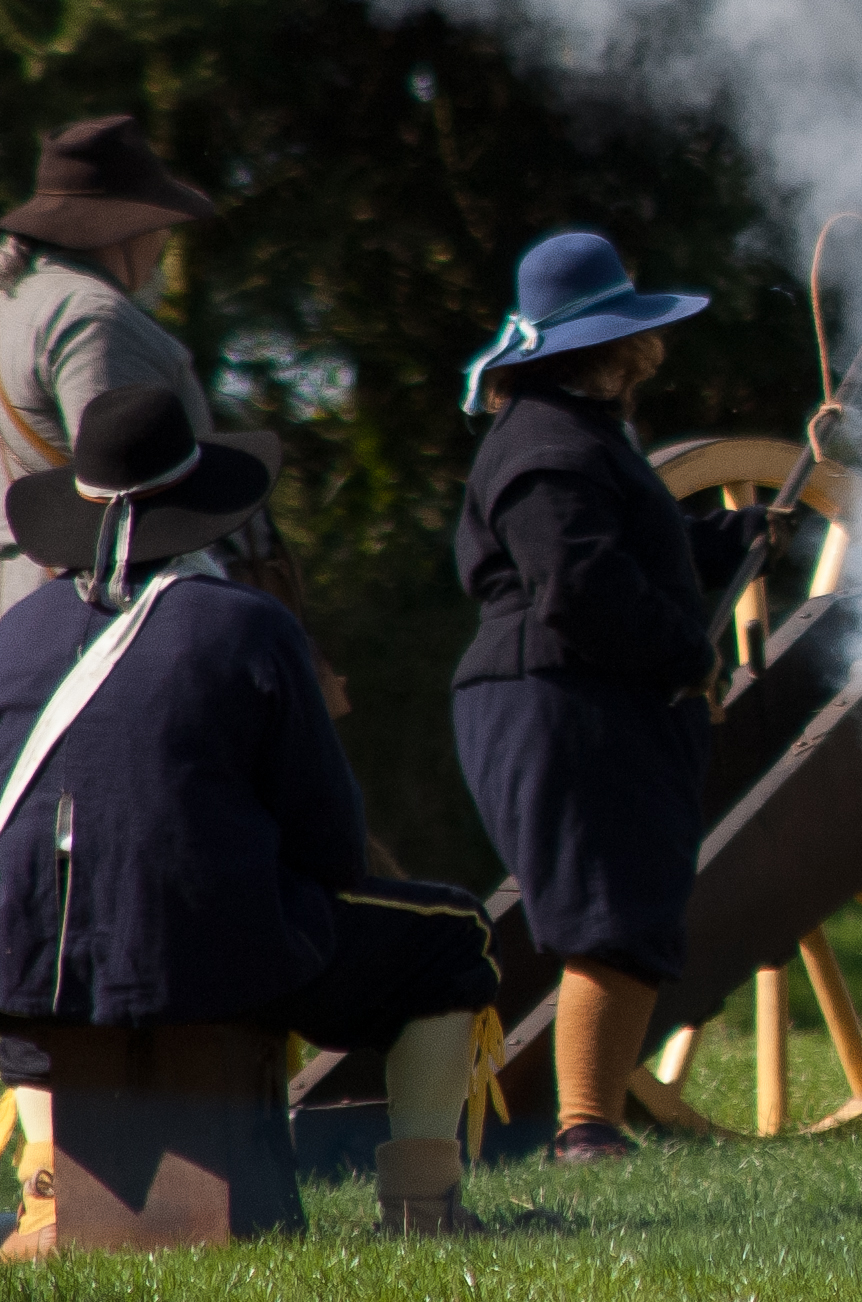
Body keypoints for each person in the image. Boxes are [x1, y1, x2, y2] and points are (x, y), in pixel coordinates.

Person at [0, 386, 502, 1252]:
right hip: (204, 951)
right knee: (451, 938)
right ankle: (424, 1208)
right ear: (201, 508)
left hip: (19, 971)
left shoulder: (15, 632)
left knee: (33, 974)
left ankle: (49, 1198)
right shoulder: (248, 625)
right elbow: (330, 838)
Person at [452, 231, 763, 1162]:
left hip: (575, 697)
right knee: (609, 916)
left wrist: (739, 539)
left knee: (623, 911)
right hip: (562, 702)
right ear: (613, 349)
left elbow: (641, 544)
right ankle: (586, 1131)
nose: (647, 355)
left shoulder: (574, 435)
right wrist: (686, 656)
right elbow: (579, 585)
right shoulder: (549, 446)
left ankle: (592, 1126)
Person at [0, 115, 218, 615]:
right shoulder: (94, 318)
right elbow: (131, 506)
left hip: (29, 607)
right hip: (97, 616)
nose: (164, 241)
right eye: (158, 223)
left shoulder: (16, 303)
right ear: (124, 229)